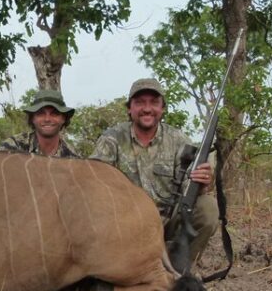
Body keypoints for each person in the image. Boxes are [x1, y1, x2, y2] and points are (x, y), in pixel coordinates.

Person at [90, 78, 219, 265]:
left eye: (154, 102)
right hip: (123, 225)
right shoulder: (112, 139)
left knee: (208, 208)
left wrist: (201, 183)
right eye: (140, 102)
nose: (147, 108)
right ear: (129, 108)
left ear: (163, 108)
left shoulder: (178, 139)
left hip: (166, 222)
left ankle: (179, 268)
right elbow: (94, 184)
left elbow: (188, 188)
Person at [0, 89, 79, 158]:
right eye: (41, 113)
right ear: (33, 118)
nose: (47, 119)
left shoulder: (72, 156)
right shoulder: (13, 146)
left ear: (63, 119)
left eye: (54, 113)